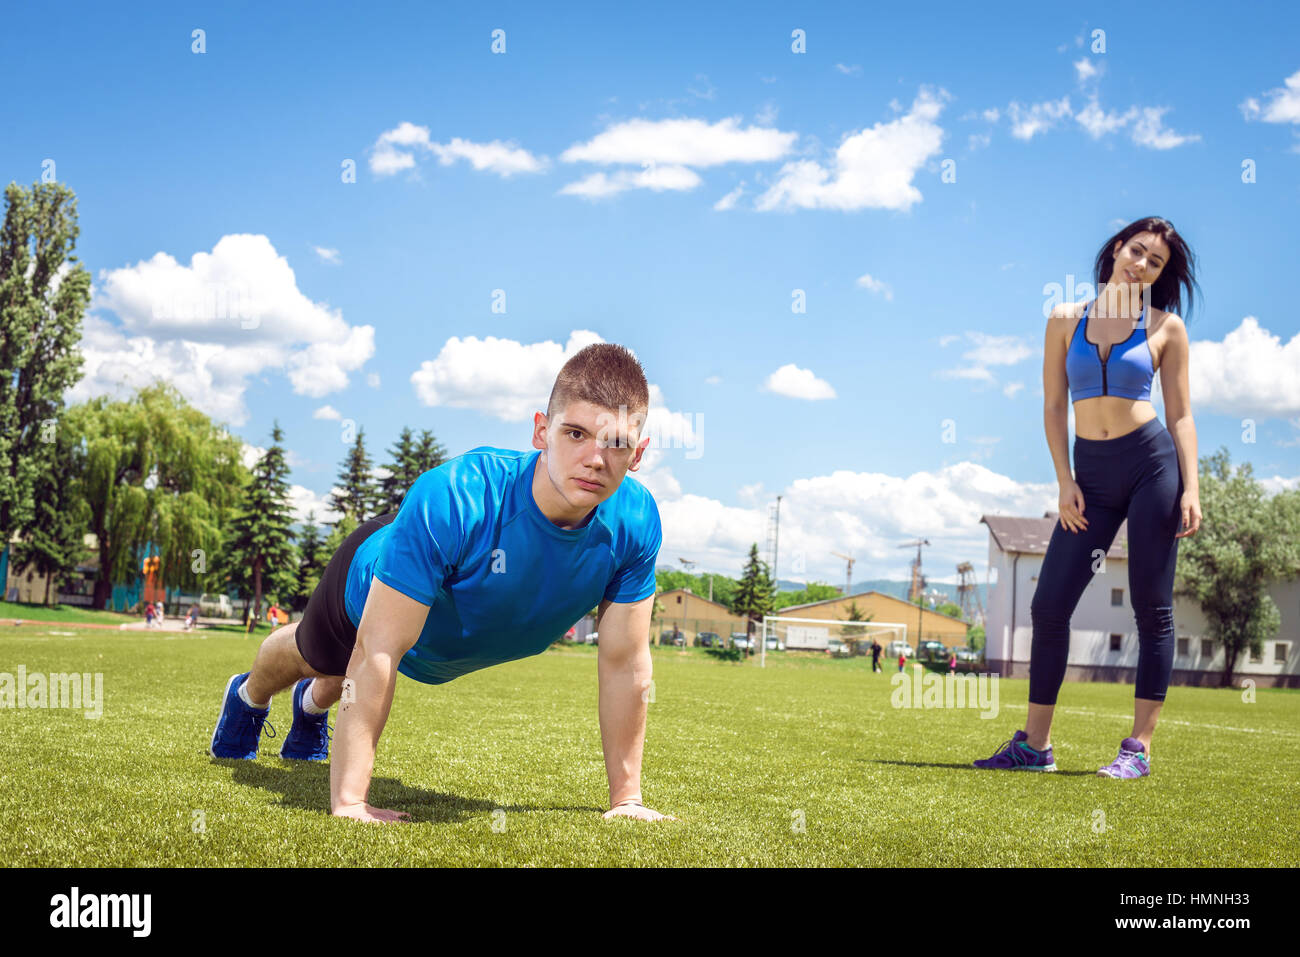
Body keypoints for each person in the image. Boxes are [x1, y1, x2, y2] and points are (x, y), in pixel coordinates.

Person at [209, 343, 674, 823]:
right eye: (575, 433)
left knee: (335, 680)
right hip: (370, 577)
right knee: (317, 655)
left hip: (432, 617)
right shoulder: (455, 497)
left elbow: (624, 665)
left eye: (615, 443)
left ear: (637, 454)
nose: (595, 458)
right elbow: (377, 651)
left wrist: (627, 801)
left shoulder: (635, 522)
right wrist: (350, 802)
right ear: (541, 430)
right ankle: (248, 698)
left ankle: (309, 709)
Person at [975, 217, 1202, 779]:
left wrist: (1192, 486)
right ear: (1116, 249)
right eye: (1137, 251)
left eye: (1156, 263)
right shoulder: (1064, 320)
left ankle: (1138, 749)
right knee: (1049, 605)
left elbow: (1180, 415)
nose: (1142, 265)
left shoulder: (1166, 327)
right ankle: (1034, 746)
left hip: (1152, 466)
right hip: (1091, 479)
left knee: (1153, 607)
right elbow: (1054, 406)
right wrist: (1064, 478)